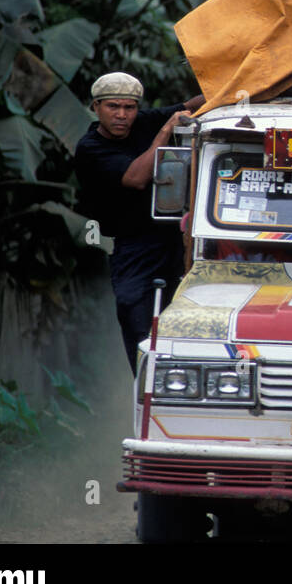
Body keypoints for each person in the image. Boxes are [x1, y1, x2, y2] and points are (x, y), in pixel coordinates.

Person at [74, 72, 204, 374]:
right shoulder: (90, 148)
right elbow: (135, 178)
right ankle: (144, 395)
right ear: (96, 107)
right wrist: (165, 132)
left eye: (129, 107)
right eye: (113, 107)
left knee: (185, 323)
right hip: (133, 249)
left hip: (175, 240)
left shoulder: (144, 120)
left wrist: (227, 89)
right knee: (136, 320)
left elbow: (190, 105)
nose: (122, 115)